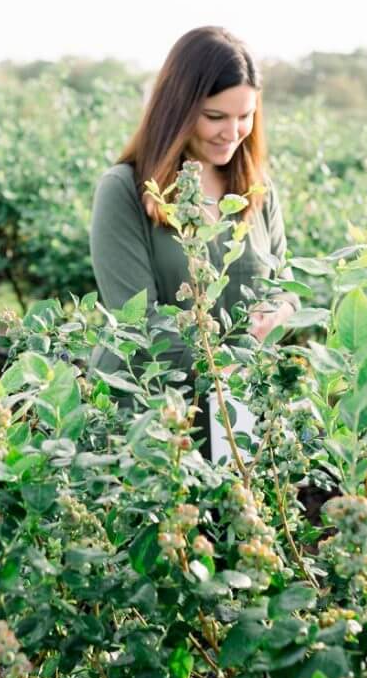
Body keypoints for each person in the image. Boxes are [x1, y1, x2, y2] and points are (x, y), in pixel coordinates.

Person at [89, 26, 295, 459]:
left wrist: (278, 312)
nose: (233, 131)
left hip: (239, 421)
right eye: (215, 117)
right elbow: (137, 323)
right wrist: (221, 366)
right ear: (178, 110)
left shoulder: (257, 190)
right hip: (153, 423)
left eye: (246, 116)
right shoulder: (124, 191)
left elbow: (285, 281)